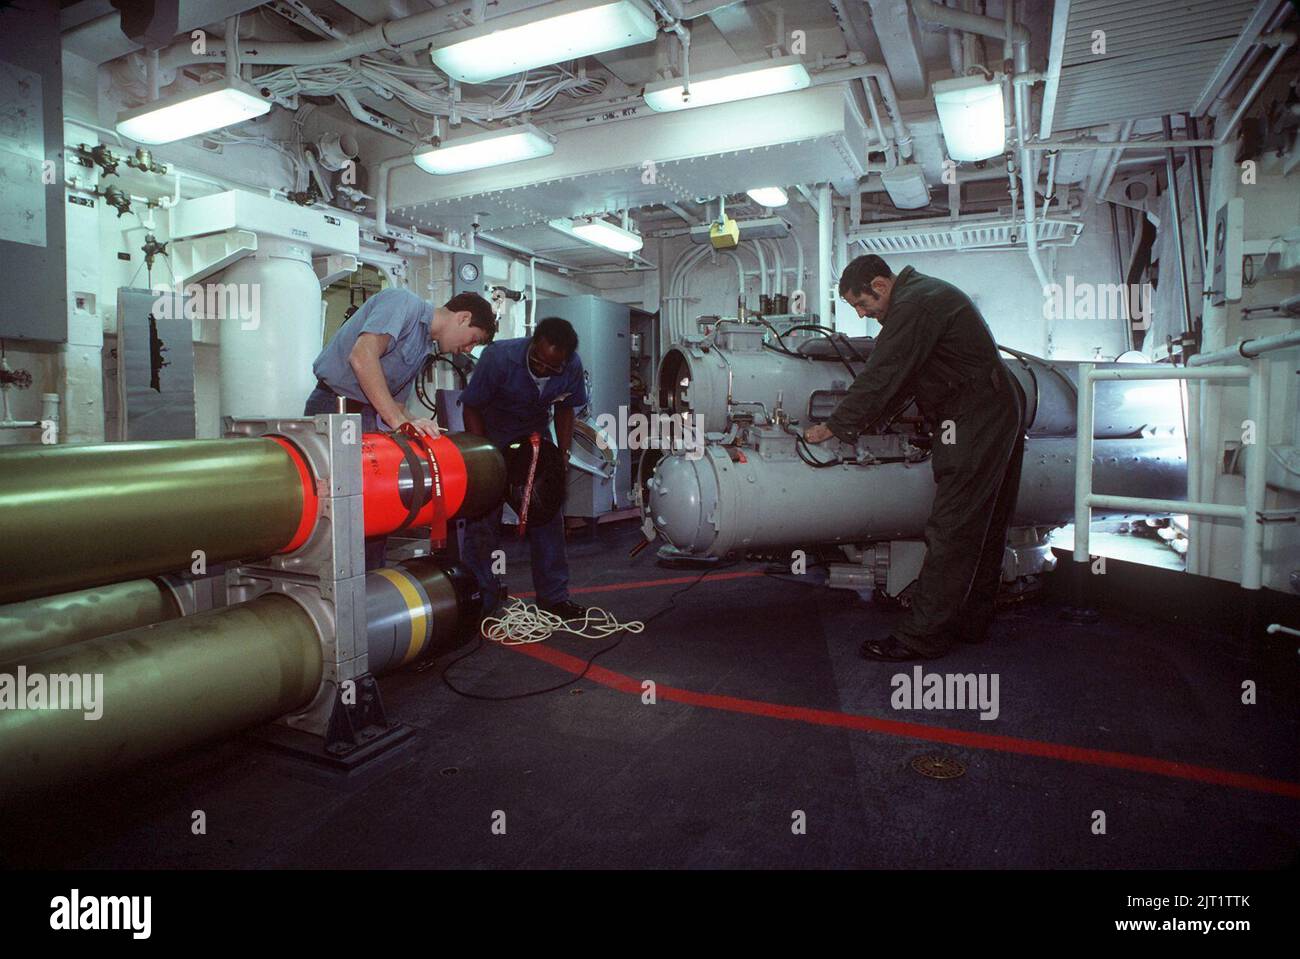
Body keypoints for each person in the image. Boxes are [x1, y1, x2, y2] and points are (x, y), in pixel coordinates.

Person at [804, 255, 1026, 662]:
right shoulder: (925, 295)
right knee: (984, 524)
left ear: (880, 285)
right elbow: (906, 378)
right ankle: (969, 621)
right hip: (991, 407)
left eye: (862, 304)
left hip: (975, 413)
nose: (863, 315)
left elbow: (884, 373)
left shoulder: (915, 303)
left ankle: (920, 638)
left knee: (953, 526)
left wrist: (836, 426)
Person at [305, 288, 497, 568]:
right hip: (335, 411)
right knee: (335, 517)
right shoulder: (402, 303)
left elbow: (395, 404)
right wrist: (398, 421)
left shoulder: (423, 347)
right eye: (473, 340)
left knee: (374, 517)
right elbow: (362, 356)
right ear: (463, 318)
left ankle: (371, 600)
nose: (467, 350)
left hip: (368, 418)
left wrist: (414, 422)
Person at [458, 317, 590, 619]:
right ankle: (483, 596)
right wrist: (483, 458)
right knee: (483, 521)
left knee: (547, 514)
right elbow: (472, 405)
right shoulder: (498, 357)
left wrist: (563, 455)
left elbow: (565, 407)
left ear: (565, 360)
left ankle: (554, 598)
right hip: (493, 436)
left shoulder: (572, 365)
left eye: (552, 367)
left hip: (534, 438)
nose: (543, 369)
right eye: (537, 361)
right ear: (532, 343)